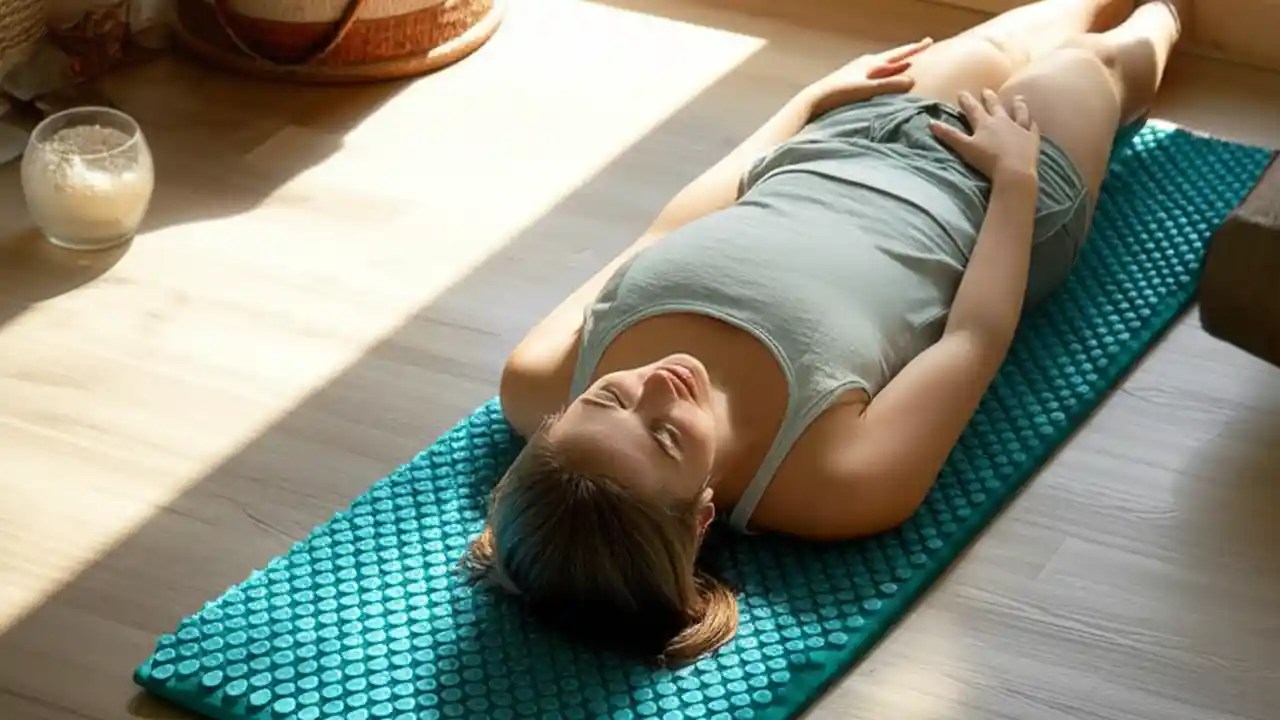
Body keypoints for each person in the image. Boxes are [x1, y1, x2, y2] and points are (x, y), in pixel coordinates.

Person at [465, 0, 1189, 662]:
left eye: (608, 401)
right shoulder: (832, 484)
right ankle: (1171, 15)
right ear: (700, 518)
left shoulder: (537, 379)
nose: (657, 382)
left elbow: (669, 226)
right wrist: (1016, 178)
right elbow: (974, 338)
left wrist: (803, 105)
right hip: (982, 196)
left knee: (1005, 38)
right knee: (1092, 63)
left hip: (838, 141)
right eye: (666, 434)